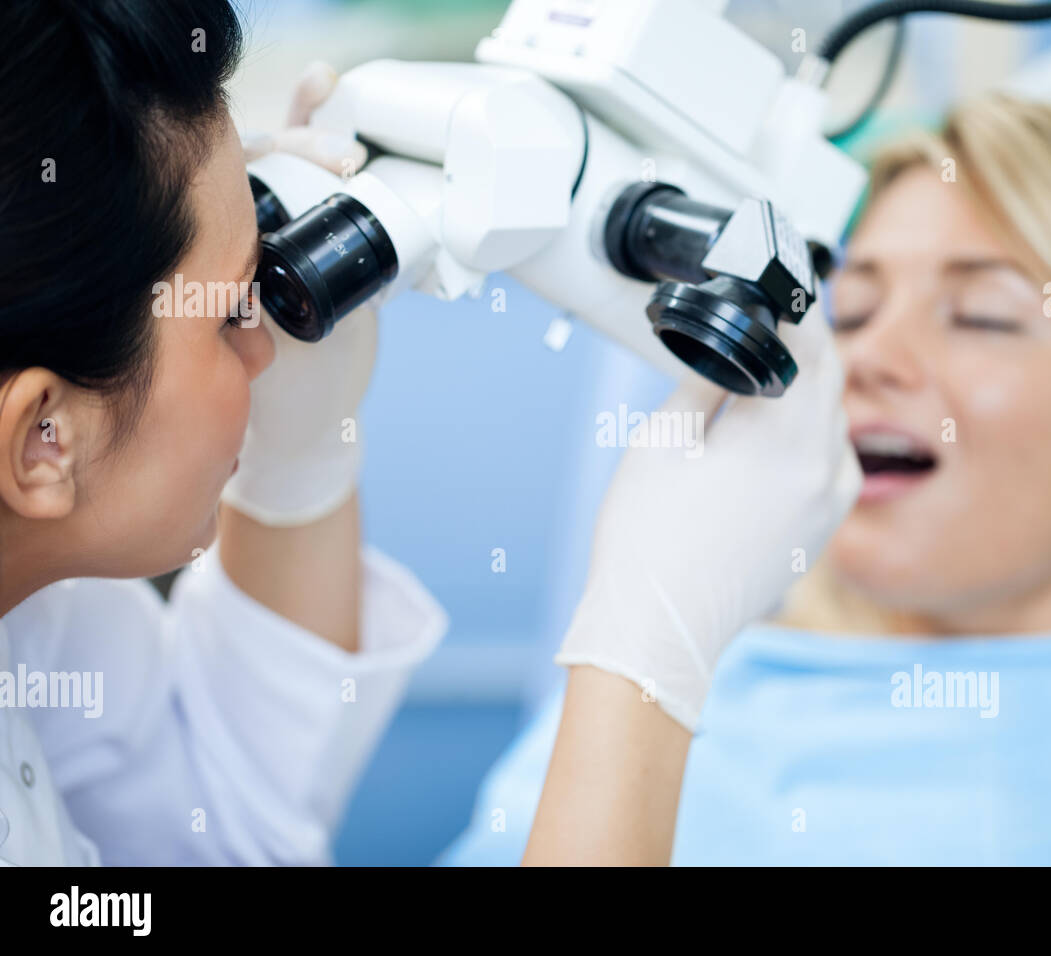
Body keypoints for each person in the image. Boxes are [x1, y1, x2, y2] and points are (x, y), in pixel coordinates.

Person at [0, 0, 856, 865]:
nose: (267, 340)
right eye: (228, 312)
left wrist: (298, 468)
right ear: (42, 439)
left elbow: (207, 836)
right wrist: (641, 657)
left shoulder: (41, 620)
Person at [443, 93, 1051, 865]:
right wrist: (635, 669)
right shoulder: (651, 707)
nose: (865, 359)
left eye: (981, 316)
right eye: (849, 311)